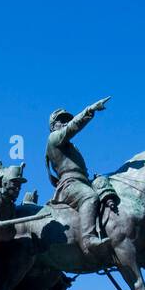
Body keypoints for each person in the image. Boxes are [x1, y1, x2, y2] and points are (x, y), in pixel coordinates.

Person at [44, 98, 117, 249]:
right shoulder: (54, 139)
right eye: (61, 121)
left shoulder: (71, 147)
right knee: (89, 197)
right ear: (52, 126)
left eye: (67, 120)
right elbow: (73, 127)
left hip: (82, 182)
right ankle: (88, 239)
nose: (65, 123)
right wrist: (90, 110)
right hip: (69, 185)